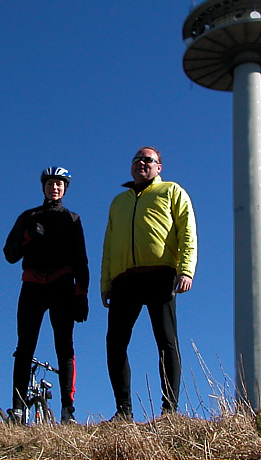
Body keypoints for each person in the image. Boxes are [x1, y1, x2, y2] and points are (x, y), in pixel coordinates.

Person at [101, 147, 197, 421]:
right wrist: (105, 282)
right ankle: (123, 411)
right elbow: (108, 245)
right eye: (136, 160)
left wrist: (186, 269)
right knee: (115, 344)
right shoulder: (118, 202)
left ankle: (169, 410)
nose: (141, 163)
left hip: (160, 274)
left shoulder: (171, 191)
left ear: (159, 167)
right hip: (123, 280)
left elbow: (187, 231)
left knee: (166, 341)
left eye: (148, 160)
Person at [4, 166, 89, 425]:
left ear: (64, 189)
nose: (55, 188)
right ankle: (17, 409)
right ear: (43, 187)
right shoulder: (28, 216)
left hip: (62, 285)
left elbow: (81, 259)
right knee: (25, 348)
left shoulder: (72, 219)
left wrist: (81, 294)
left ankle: (67, 410)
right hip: (32, 285)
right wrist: (28, 236)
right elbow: (9, 254)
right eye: (51, 183)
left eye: (59, 185)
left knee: (65, 348)